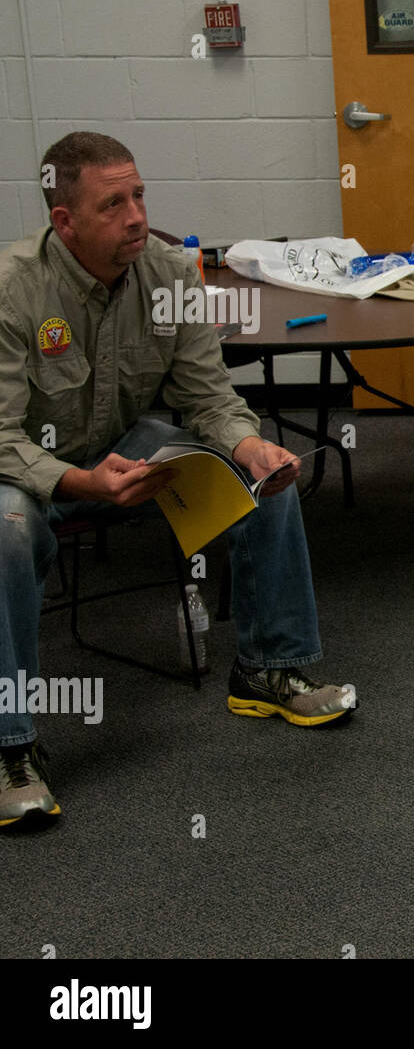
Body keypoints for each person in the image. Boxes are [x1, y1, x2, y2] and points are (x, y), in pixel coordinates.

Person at [0, 133, 356, 828]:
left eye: (139, 195)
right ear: (63, 221)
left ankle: (269, 668)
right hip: (33, 466)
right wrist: (77, 481)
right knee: (5, 531)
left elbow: (209, 398)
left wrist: (250, 445)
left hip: (131, 450)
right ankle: (10, 747)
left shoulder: (169, 274)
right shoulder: (14, 291)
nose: (136, 216)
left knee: (262, 472)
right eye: (113, 204)